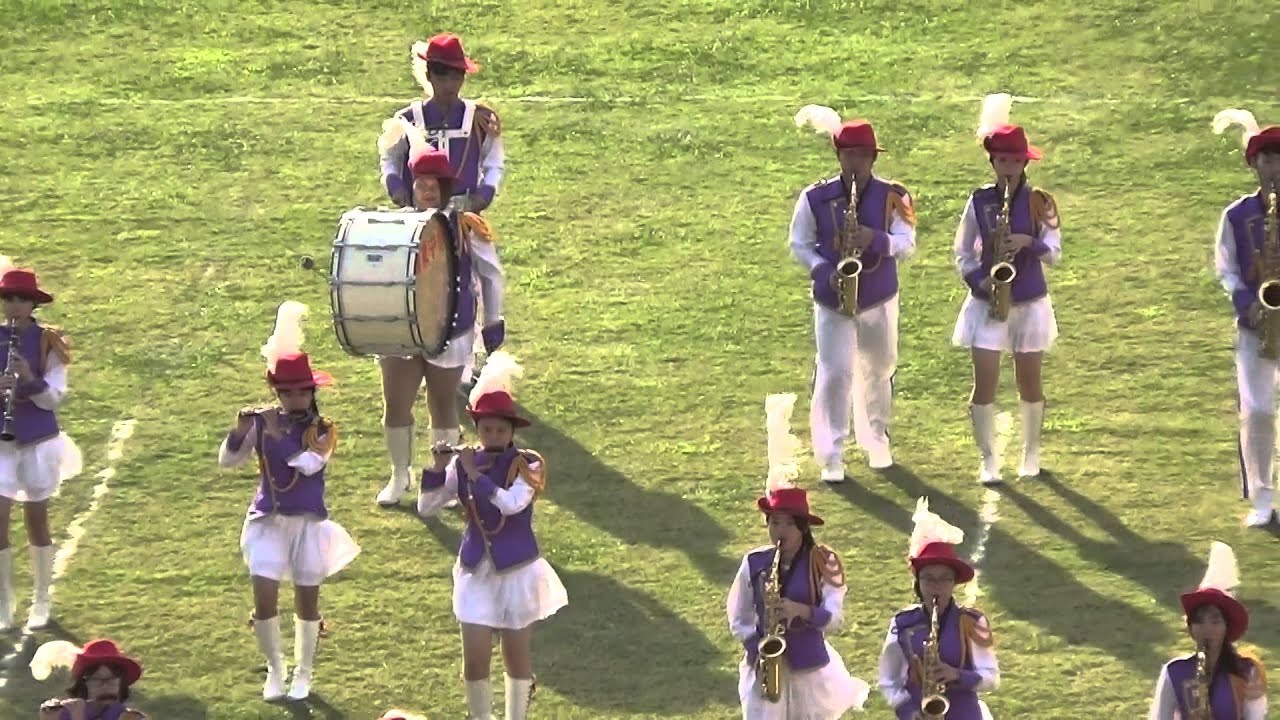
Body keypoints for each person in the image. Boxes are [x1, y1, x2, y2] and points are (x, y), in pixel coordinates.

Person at [218, 301, 360, 701]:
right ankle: (275, 669)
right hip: (267, 521)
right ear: (277, 392)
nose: (294, 398)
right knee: (263, 597)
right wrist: (240, 430)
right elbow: (228, 461)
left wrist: (275, 432)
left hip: (308, 525)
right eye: (286, 392)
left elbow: (307, 465)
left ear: (312, 392)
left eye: (301, 391)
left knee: (306, 602)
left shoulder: (322, 429)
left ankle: (305, 671)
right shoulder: (265, 422)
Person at [417, 350, 567, 720]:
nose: (493, 436)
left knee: (515, 656)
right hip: (475, 569)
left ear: (512, 431)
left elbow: (511, 505)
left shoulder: (527, 463)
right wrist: (438, 467)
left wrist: (475, 475)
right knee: (474, 659)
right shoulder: (464, 462)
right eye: (486, 429)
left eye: (501, 430)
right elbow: (427, 506)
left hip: (517, 570)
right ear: (477, 429)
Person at [371, 143, 507, 507]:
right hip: (402, 328)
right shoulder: (394, 226)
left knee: (442, 404)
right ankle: (400, 474)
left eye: (435, 185)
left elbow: (491, 273)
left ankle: (442, 477)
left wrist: (493, 319)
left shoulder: (466, 226)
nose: (427, 190)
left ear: (446, 188)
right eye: (421, 184)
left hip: (451, 327)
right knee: (396, 404)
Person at [791, 105, 917, 482]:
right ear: (838, 155)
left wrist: (874, 239)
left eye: (863, 155)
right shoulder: (815, 197)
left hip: (879, 296)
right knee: (835, 373)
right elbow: (799, 243)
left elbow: (907, 244)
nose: (856, 163)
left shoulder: (895, 195)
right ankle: (831, 452)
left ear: (873, 158)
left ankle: (876, 438)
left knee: (879, 369)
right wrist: (823, 270)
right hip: (832, 299)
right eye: (849, 155)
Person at [726, 392, 870, 718]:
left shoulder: (824, 562)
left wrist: (801, 610)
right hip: (766, 665)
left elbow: (835, 617)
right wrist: (755, 645)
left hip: (810, 669)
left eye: (788, 524)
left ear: (803, 528)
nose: (780, 531)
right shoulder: (755, 562)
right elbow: (739, 614)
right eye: (774, 523)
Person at [952, 93, 1062, 485]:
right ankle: (988, 459)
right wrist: (978, 280)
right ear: (993, 162)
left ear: (1025, 163)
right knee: (984, 383)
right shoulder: (979, 200)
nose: (1009, 168)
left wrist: (1029, 242)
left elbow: (1056, 253)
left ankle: (1031, 453)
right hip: (987, 302)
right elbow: (962, 252)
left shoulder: (1039, 201)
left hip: (1029, 301)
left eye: (1015, 161)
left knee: (1029, 382)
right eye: (1002, 161)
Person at [0, 257, 82, 632]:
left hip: (37, 441)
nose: (14, 305)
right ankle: (5, 603)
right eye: (8, 298)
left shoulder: (49, 341)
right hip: (3, 443)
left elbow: (54, 398)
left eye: (21, 298)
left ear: (34, 303)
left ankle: (41, 600)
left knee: (36, 521)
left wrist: (30, 379)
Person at [1210, 107, 1280, 527]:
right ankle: (1262, 497)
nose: (1274, 168)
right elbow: (1226, 267)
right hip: (1256, 324)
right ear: (1254, 165)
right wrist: (1245, 302)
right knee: (1256, 412)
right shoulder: (1236, 215)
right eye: (1267, 159)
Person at [878, 498, 999, 719]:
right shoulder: (902, 623)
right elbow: (889, 681)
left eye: (945, 579)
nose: (937, 586)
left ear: (954, 583)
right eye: (929, 579)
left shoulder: (973, 622)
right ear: (918, 582)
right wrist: (907, 710)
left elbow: (991, 678)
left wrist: (957, 675)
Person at [378, 32, 504, 214]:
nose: (449, 86)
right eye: (442, 78)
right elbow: (391, 158)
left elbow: (493, 163)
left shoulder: (481, 120)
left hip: (464, 216)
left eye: (455, 78)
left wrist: (485, 193)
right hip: (417, 216)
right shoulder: (407, 119)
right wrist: (394, 184)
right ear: (429, 75)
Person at [1148, 541, 1267, 719]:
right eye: (1198, 621)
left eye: (1215, 621)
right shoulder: (1174, 671)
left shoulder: (1247, 670)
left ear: (1227, 626)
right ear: (1190, 628)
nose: (1206, 629)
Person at [32, 638, 149, 719]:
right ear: (84, 684)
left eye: (112, 679)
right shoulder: (65, 714)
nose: (105, 685)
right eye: (97, 679)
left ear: (121, 683)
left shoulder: (133, 718)